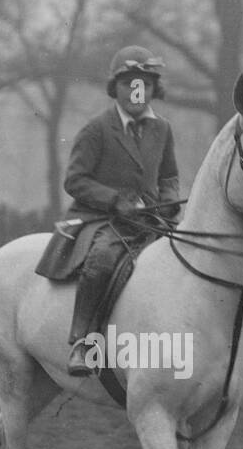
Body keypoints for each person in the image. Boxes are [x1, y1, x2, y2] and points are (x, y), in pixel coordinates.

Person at [59, 46, 181, 376]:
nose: (138, 92)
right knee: (101, 261)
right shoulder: (96, 129)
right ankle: (83, 343)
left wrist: (169, 203)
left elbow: (169, 175)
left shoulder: (163, 129)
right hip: (101, 218)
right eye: (130, 84)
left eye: (145, 84)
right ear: (116, 87)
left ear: (155, 89)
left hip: (152, 219)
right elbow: (75, 180)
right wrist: (115, 200)